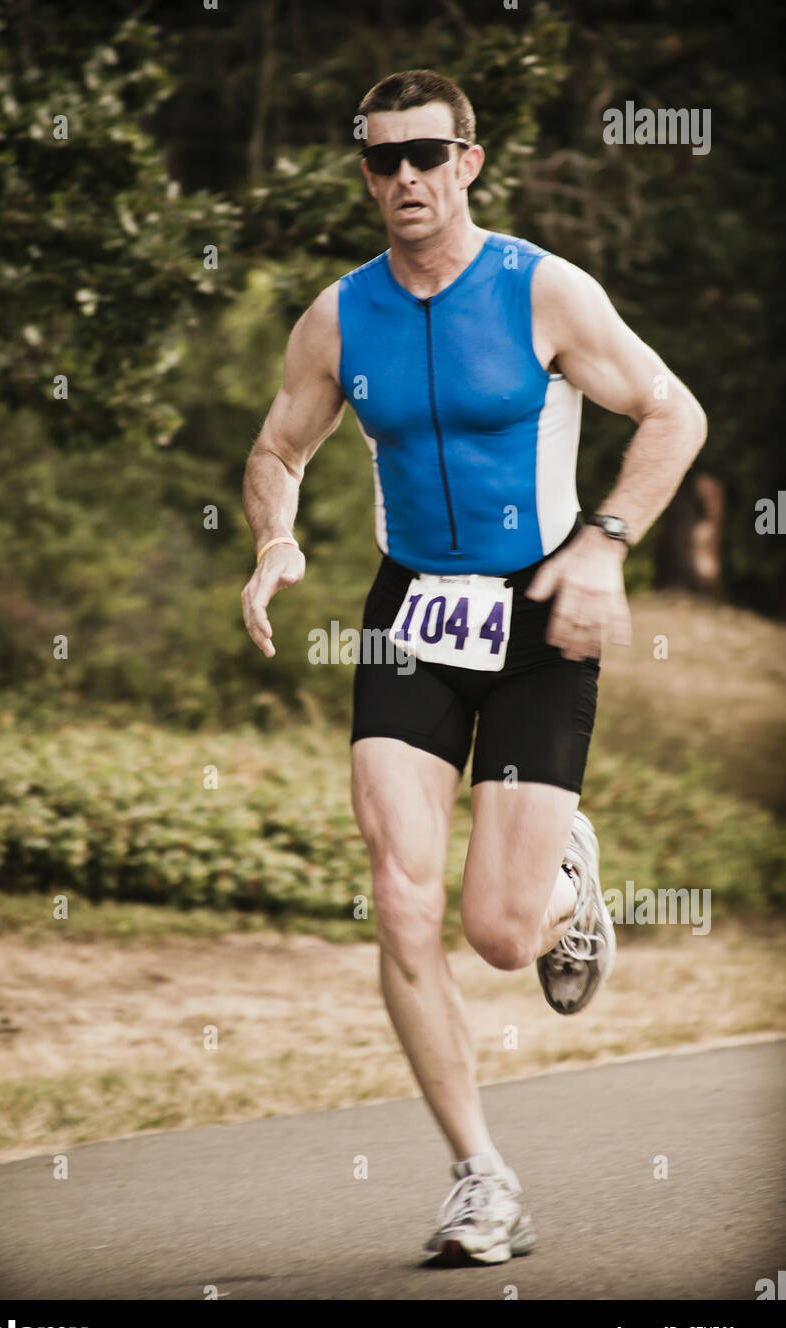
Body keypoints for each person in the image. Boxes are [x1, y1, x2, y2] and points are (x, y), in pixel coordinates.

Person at [241, 69, 707, 1266]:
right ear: (365, 172)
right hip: (411, 611)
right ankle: (479, 1178)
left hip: (542, 607)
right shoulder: (339, 317)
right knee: (400, 896)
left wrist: (604, 548)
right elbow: (280, 445)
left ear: (468, 162)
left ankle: (561, 881)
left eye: (427, 155)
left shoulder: (542, 290)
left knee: (498, 934)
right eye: (383, 158)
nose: (405, 177)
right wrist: (276, 540)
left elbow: (673, 413)